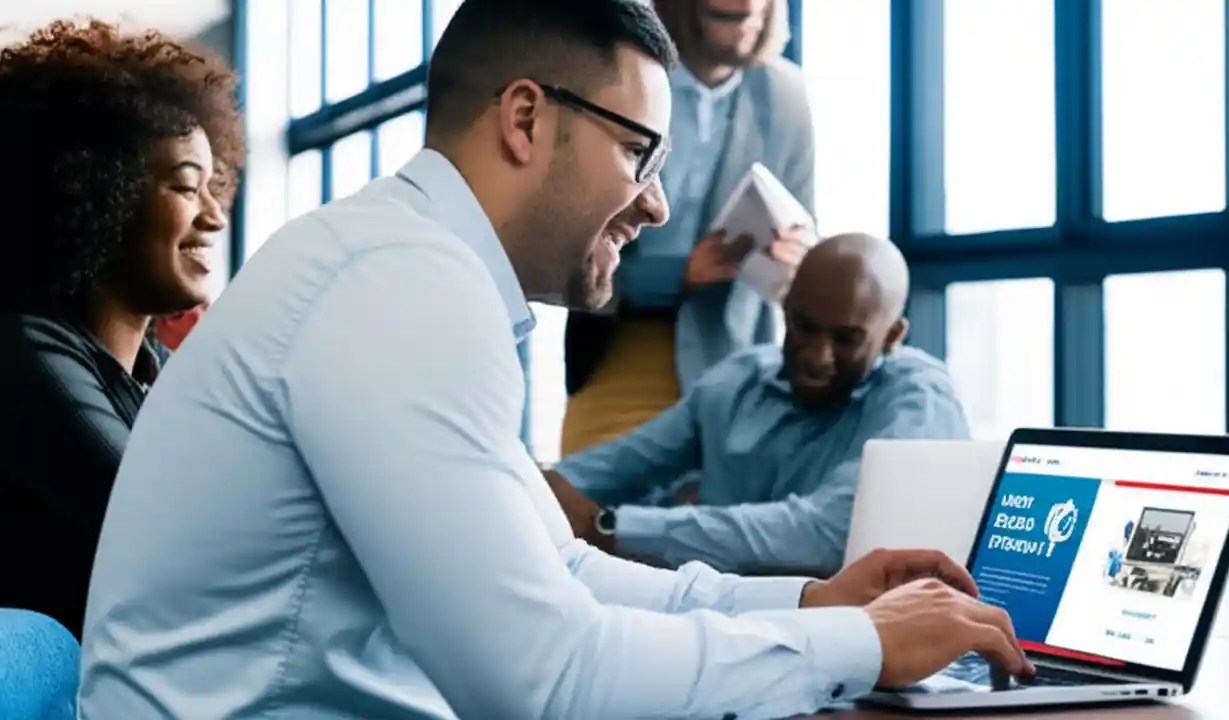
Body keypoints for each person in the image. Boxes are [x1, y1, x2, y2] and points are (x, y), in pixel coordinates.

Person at [79, 2, 1031, 718]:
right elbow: (545, 677)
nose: (657, 207)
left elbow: (561, 572)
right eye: (639, 155)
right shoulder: (401, 288)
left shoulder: (400, 265)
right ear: (526, 119)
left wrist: (812, 598)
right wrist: (856, 642)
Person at [0, 19, 242, 638]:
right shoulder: (22, 352)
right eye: (187, 186)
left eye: (214, 187)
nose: (214, 216)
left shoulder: (150, 373)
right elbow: (184, 529)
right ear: (96, 194)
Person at [546, 233, 969, 577]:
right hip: (722, 623)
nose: (818, 356)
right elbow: (613, 468)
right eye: (804, 327)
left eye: (846, 339)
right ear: (785, 309)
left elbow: (825, 536)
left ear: (893, 335)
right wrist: (527, 492)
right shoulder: (737, 381)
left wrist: (614, 528)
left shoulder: (919, 401)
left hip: (858, 647)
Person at [560, 0, 816, 455]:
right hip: (621, 347)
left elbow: (803, 226)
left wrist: (797, 259)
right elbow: (576, 243)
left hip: (731, 361)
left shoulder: (785, 96)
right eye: (728, 13)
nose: (746, 8)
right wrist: (680, 276)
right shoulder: (623, 77)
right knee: (592, 510)